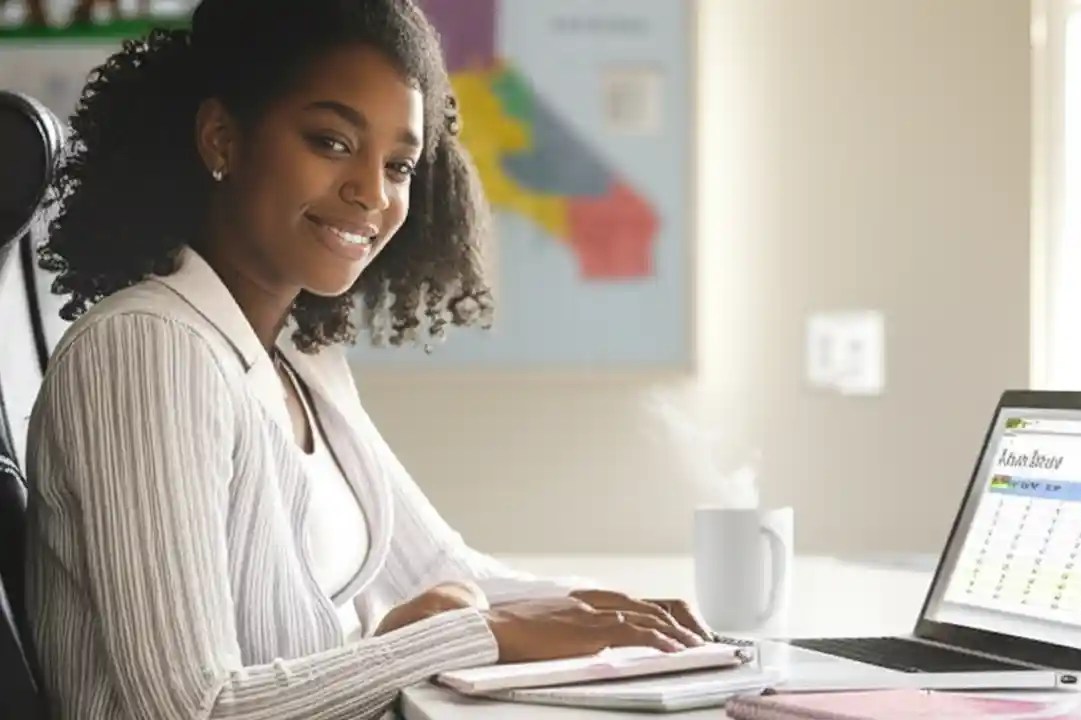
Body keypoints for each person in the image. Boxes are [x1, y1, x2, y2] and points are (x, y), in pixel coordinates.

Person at [24, 1, 713, 718]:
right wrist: (475, 634)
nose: (372, 193)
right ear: (222, 138)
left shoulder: (296, 355)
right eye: (330, 141)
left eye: (399, 164)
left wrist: (604, 615)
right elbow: (192, 708)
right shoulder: (147, 351)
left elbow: (442, 569)